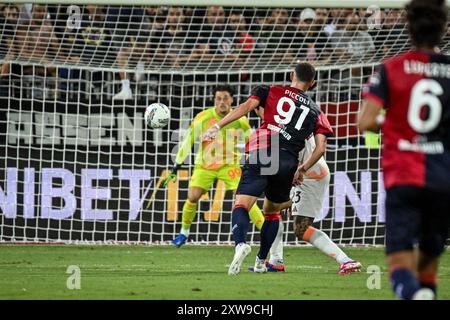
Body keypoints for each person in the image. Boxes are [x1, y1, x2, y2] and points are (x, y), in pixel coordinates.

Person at [203, 62, 333, 275]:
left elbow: (245, 108)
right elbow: (320, 148)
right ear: (313, 83)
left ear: (292, 75)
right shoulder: (317, 112)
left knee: (242, 204)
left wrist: (216, 127)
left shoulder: (269, 90)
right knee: (271, 212)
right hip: (289, 161)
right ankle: (262, 261)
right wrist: (302, 169)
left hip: (264, 150)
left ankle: (240, 244)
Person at [359, 0, 450, 300]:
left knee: (400, 261)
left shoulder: (390, 68)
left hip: (403, 177)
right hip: (442, 179)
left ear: (408, 28)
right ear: (444, 28)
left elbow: (366, 121)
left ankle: (413, 295)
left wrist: (398, 123)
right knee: (428, 265)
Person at [166, 85, 265, 247]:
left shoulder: (240, 119)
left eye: (225, 98)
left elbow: (251, 141)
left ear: (232, 100)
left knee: (245, 198)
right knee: (192, 196)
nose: (222, 102)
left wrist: (258, 157)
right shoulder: (202, 117)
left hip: (229, 165)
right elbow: (187, 141)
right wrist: (176, 165)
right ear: (214, 101)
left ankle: (266, 230)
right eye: (218, 98)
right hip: (205, 165)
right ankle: (184, 233)